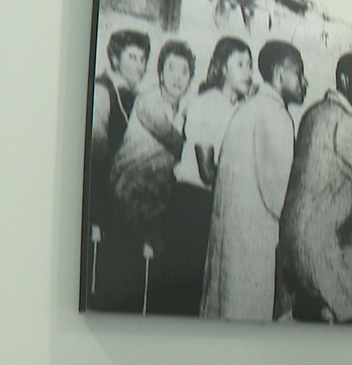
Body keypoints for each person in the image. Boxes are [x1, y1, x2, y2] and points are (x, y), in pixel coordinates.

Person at [201, 41, 307, 322]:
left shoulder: (250, 108)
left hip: (233, 244)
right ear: (280, 73)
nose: (304, 82)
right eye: (299, 73)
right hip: (252, 245)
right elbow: (279, 197)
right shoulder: (275, 116)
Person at [276, 53, 352, 323]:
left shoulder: (314, 112)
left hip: (290, 245)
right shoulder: (345, 124)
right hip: (318, 247)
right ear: (344, 81)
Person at [155, 37, 253, 315]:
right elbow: (208, 172)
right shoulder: (207, 105)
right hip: (191, 205)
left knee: (203, 296)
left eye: (250, 66)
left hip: (215, 207)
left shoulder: (240, 109)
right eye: (240, 65)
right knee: (180, 296)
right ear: (222, 69)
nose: (248, 72)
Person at [106, 40, 195, 313]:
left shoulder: (181, 111)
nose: (178, 77)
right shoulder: (149, 102)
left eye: (185, 71)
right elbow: (177, 143)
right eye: (172, 69)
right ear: (160, 73)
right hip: (127, 192)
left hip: (155, 197)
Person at [88, 29, 150, 310]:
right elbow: (97, 159)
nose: (140, 64)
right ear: (114, 57)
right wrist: (96, 217)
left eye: (143, 58)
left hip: (126, 207)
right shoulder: (102, 91)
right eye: (132, 57)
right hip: (107, 209)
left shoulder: (134, 97)